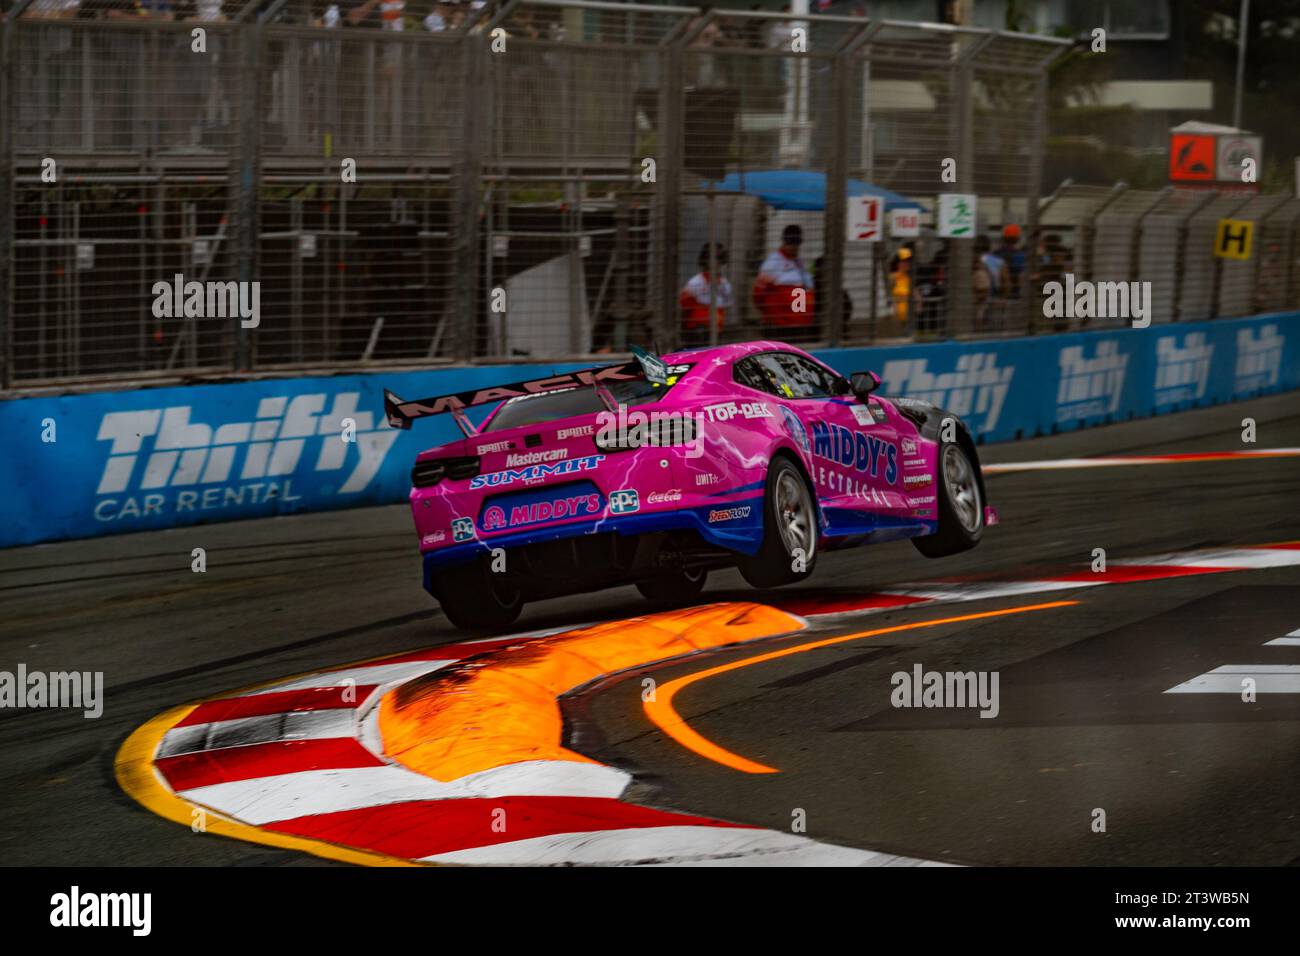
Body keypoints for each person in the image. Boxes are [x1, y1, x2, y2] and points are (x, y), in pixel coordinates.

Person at [753, 224, 815, 334]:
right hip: (781, 325)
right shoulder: (773, 262)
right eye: (790, 243)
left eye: (796, 243)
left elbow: (806, 287)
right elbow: (758, 294)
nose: (793, 247)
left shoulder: (798, 262)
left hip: (799, 323)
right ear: (784, 241)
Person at [680, 243, 733, 347]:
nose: (714, 263)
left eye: (718, 259)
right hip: (698, 330)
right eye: (711, 259)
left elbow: (725, 308)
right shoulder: (696, 282)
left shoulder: (724, 284)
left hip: (716, 329)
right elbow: (685, 308)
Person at [996, 223, 1026, 299]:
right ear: (1017, 239)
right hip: (1014, 293)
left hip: (997, 292)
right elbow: (1021, 277)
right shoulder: (1020, 255)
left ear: (1003, 238)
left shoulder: (996, 253)